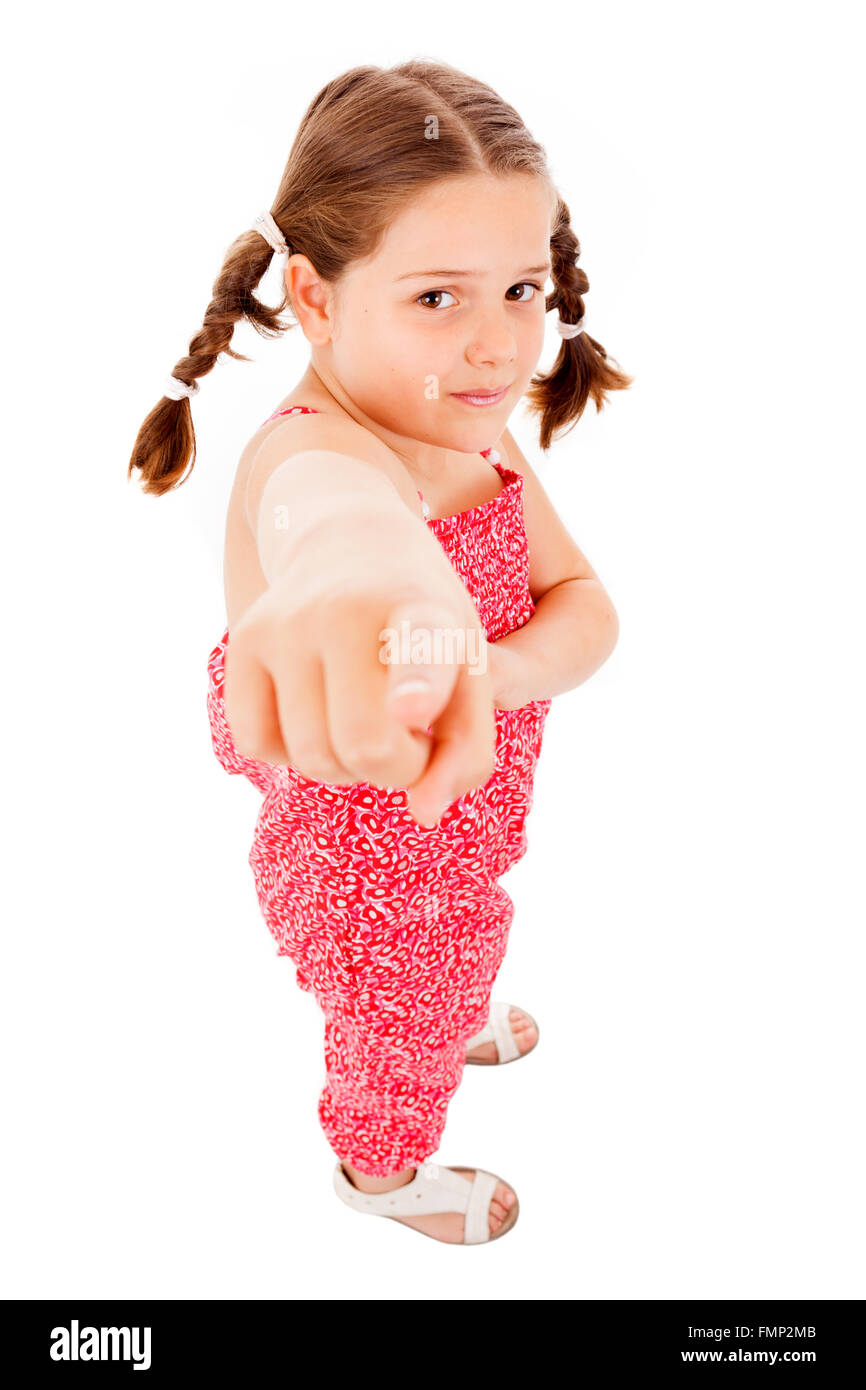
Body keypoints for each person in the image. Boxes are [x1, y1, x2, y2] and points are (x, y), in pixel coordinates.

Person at [128, 58, 631, 1247]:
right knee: (392, 1013)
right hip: (374, 870)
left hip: (464, 816)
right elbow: (334, 524)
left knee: (456, 940)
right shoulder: (319, 457)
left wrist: (499, 671)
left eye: (520, 286)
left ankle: (444, 1003)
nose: (499, 345)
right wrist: (377, 569)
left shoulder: (468, 435)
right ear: (312, 296)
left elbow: (583, 601)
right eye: (435, 299)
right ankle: (378, 1165)